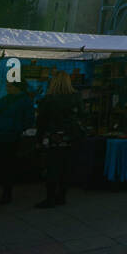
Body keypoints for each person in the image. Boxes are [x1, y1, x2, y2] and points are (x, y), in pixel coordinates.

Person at [35, 71, 82, 208]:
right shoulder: (76, 96)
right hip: (70, 136)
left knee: (52, 168)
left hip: (54, 136)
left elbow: (41, 121)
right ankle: (61, 196)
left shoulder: (49, 99)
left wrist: (39, 138)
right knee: (65, 168)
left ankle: (50, 198)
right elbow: (82, 114)